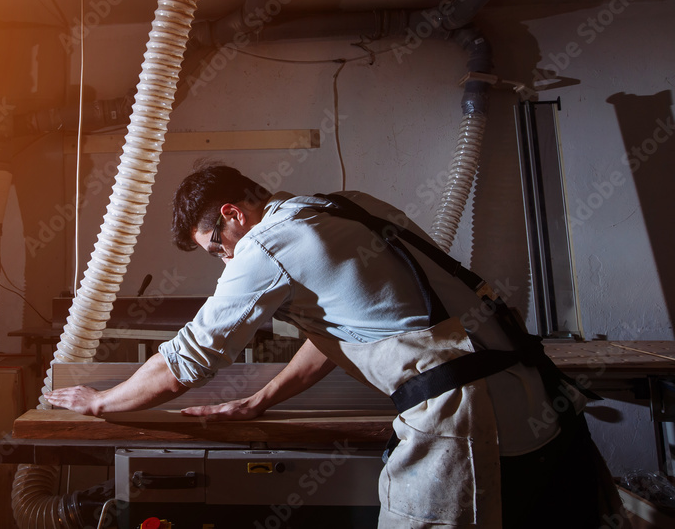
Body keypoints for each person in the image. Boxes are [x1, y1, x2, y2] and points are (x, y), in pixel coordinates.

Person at [44, 163, 621, 528]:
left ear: (232, 214)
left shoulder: (265, 244)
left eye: (216, 249)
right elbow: (338, 330)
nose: (224, 260)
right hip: (533, 403)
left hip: (465, 418)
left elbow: (189, 358)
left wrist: (100, 402)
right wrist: (258, 402)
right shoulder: (346, 206)